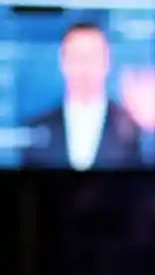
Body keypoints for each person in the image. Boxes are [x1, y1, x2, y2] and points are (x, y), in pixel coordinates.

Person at [21, 21, 143, 170]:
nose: (85, 67)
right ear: (63, 62)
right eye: (77, 57)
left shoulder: (131, 128)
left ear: (107, 62)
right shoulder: (37, 128)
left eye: (92, 57)